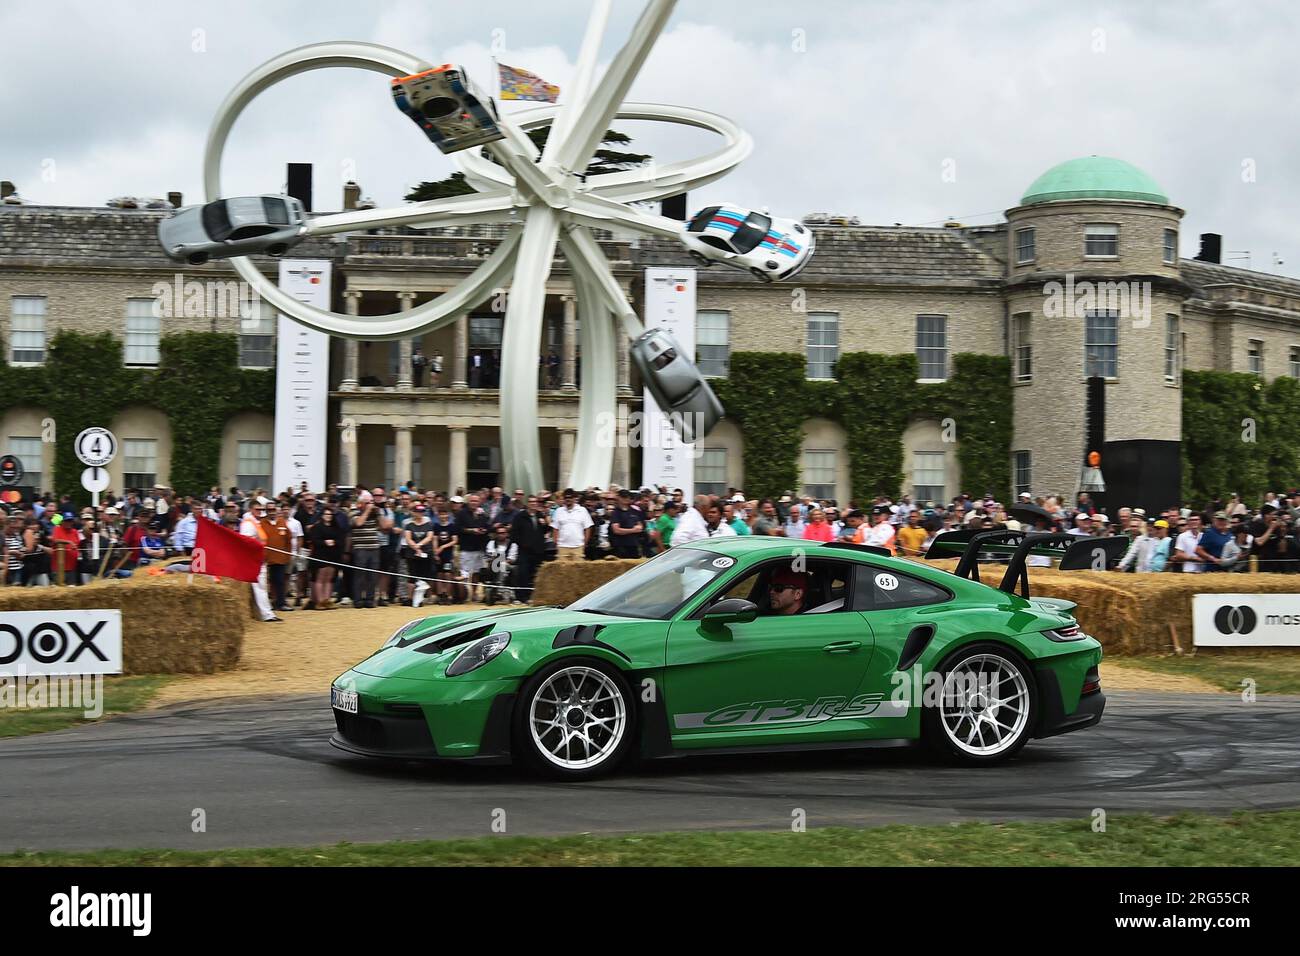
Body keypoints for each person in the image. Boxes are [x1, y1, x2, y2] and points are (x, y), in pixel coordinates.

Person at [509, 495, 551, 602]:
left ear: (537, 503)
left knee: (535, 574)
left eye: (535, 501)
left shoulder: (540, 515)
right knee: (523, 574)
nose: (533, 503)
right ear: (528, 503)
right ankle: (521, 597)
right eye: (531, 501)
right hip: (524, 551)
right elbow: (514, 533)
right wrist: (522, 544)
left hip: (537, 551)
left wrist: (545, 524)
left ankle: (532, 596)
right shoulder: (520, 516)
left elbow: (546, 531)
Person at [307, 505, 344, 609]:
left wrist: (335, 542)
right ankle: (320, 601)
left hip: (333, 555)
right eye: (326, 514)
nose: (328, 516)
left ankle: (327, 600)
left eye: (330, 514)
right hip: (320, 555)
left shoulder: (336, 527)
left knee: (329, 578)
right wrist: (324, 542)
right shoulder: (317, 527)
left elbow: (341, 540)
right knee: (320, 578)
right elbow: (314, 540)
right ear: (322, 515)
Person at [403, 504, 436, 606]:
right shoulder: (409, 525)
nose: (419, 513)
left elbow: (429, 537)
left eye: (422, 511)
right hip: (412, 554)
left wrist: (419, 545)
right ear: (413, 512)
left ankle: (420, 599)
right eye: (417, 511)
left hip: (426, 553)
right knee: (412, 576)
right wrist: (416, 548)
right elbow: (408, 539)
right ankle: (410, 598)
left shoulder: (428, 524)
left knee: (424, 576)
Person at [552, 489, 593, 561]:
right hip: (562, 547)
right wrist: (557, 544)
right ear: (563, 499)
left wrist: (584, 543)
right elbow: (555, 529)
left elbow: (588, 528)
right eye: (566, 498)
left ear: (574, 498)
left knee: (578, 571)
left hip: (578, 546)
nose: (568, 499)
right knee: (563, 571)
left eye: (570, 497)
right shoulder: (559, 511)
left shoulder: (582, 510)